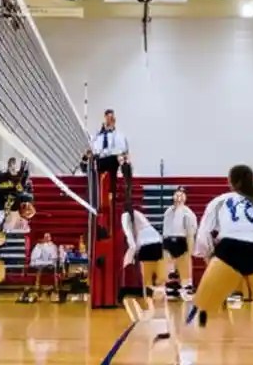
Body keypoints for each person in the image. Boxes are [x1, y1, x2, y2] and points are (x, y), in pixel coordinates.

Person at [185, 164, 253, 365]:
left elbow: (203, 235)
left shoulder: (221, 200)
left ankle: (186, 359)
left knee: (200, 311)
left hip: (231, 249)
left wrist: (210, 258)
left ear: (231, 182)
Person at [122, 206, 171, 337]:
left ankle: (151, 315)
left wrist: (127, 260)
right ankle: (163, 321)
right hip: (158, 242)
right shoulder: (139, 215)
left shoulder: (124, 217)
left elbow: (131, 242)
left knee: (148, 283)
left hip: (146, 245)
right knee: (160, 283)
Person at [162, 187, 198, 298]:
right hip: (168, 241)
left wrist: (190, 249)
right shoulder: (168, 211)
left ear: (185, 198)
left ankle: (187, 288)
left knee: (184, 266)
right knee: (169, 267)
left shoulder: (188, 213)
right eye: (176, 195)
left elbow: (190, 233)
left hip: (182, 241)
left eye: (181, 195)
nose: (178, 198)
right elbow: (165, 228)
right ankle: (172, 288)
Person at [89, 109, 131, 196]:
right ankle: (103, 192)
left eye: (112, 118)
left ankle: (115, 192)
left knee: (118, 161)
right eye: (108, 118)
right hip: (100, 160)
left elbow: (121, 149)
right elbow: (93, 147)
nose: (110, 120)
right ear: (105, 118)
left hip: (112, 160)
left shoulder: (117, 135)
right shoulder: (98, 135)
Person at [27, 233, 60, 303]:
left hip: (50, 263)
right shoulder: (39, 245)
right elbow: (35, 255)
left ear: (50, 238)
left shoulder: (53, 246)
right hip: (41, 263)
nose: (47, 238)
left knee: (54, 269)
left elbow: (54, 256)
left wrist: (50, 261)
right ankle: (37, 288)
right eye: (45, 236)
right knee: (39, 269)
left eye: (48, 236)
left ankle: (56, 289)